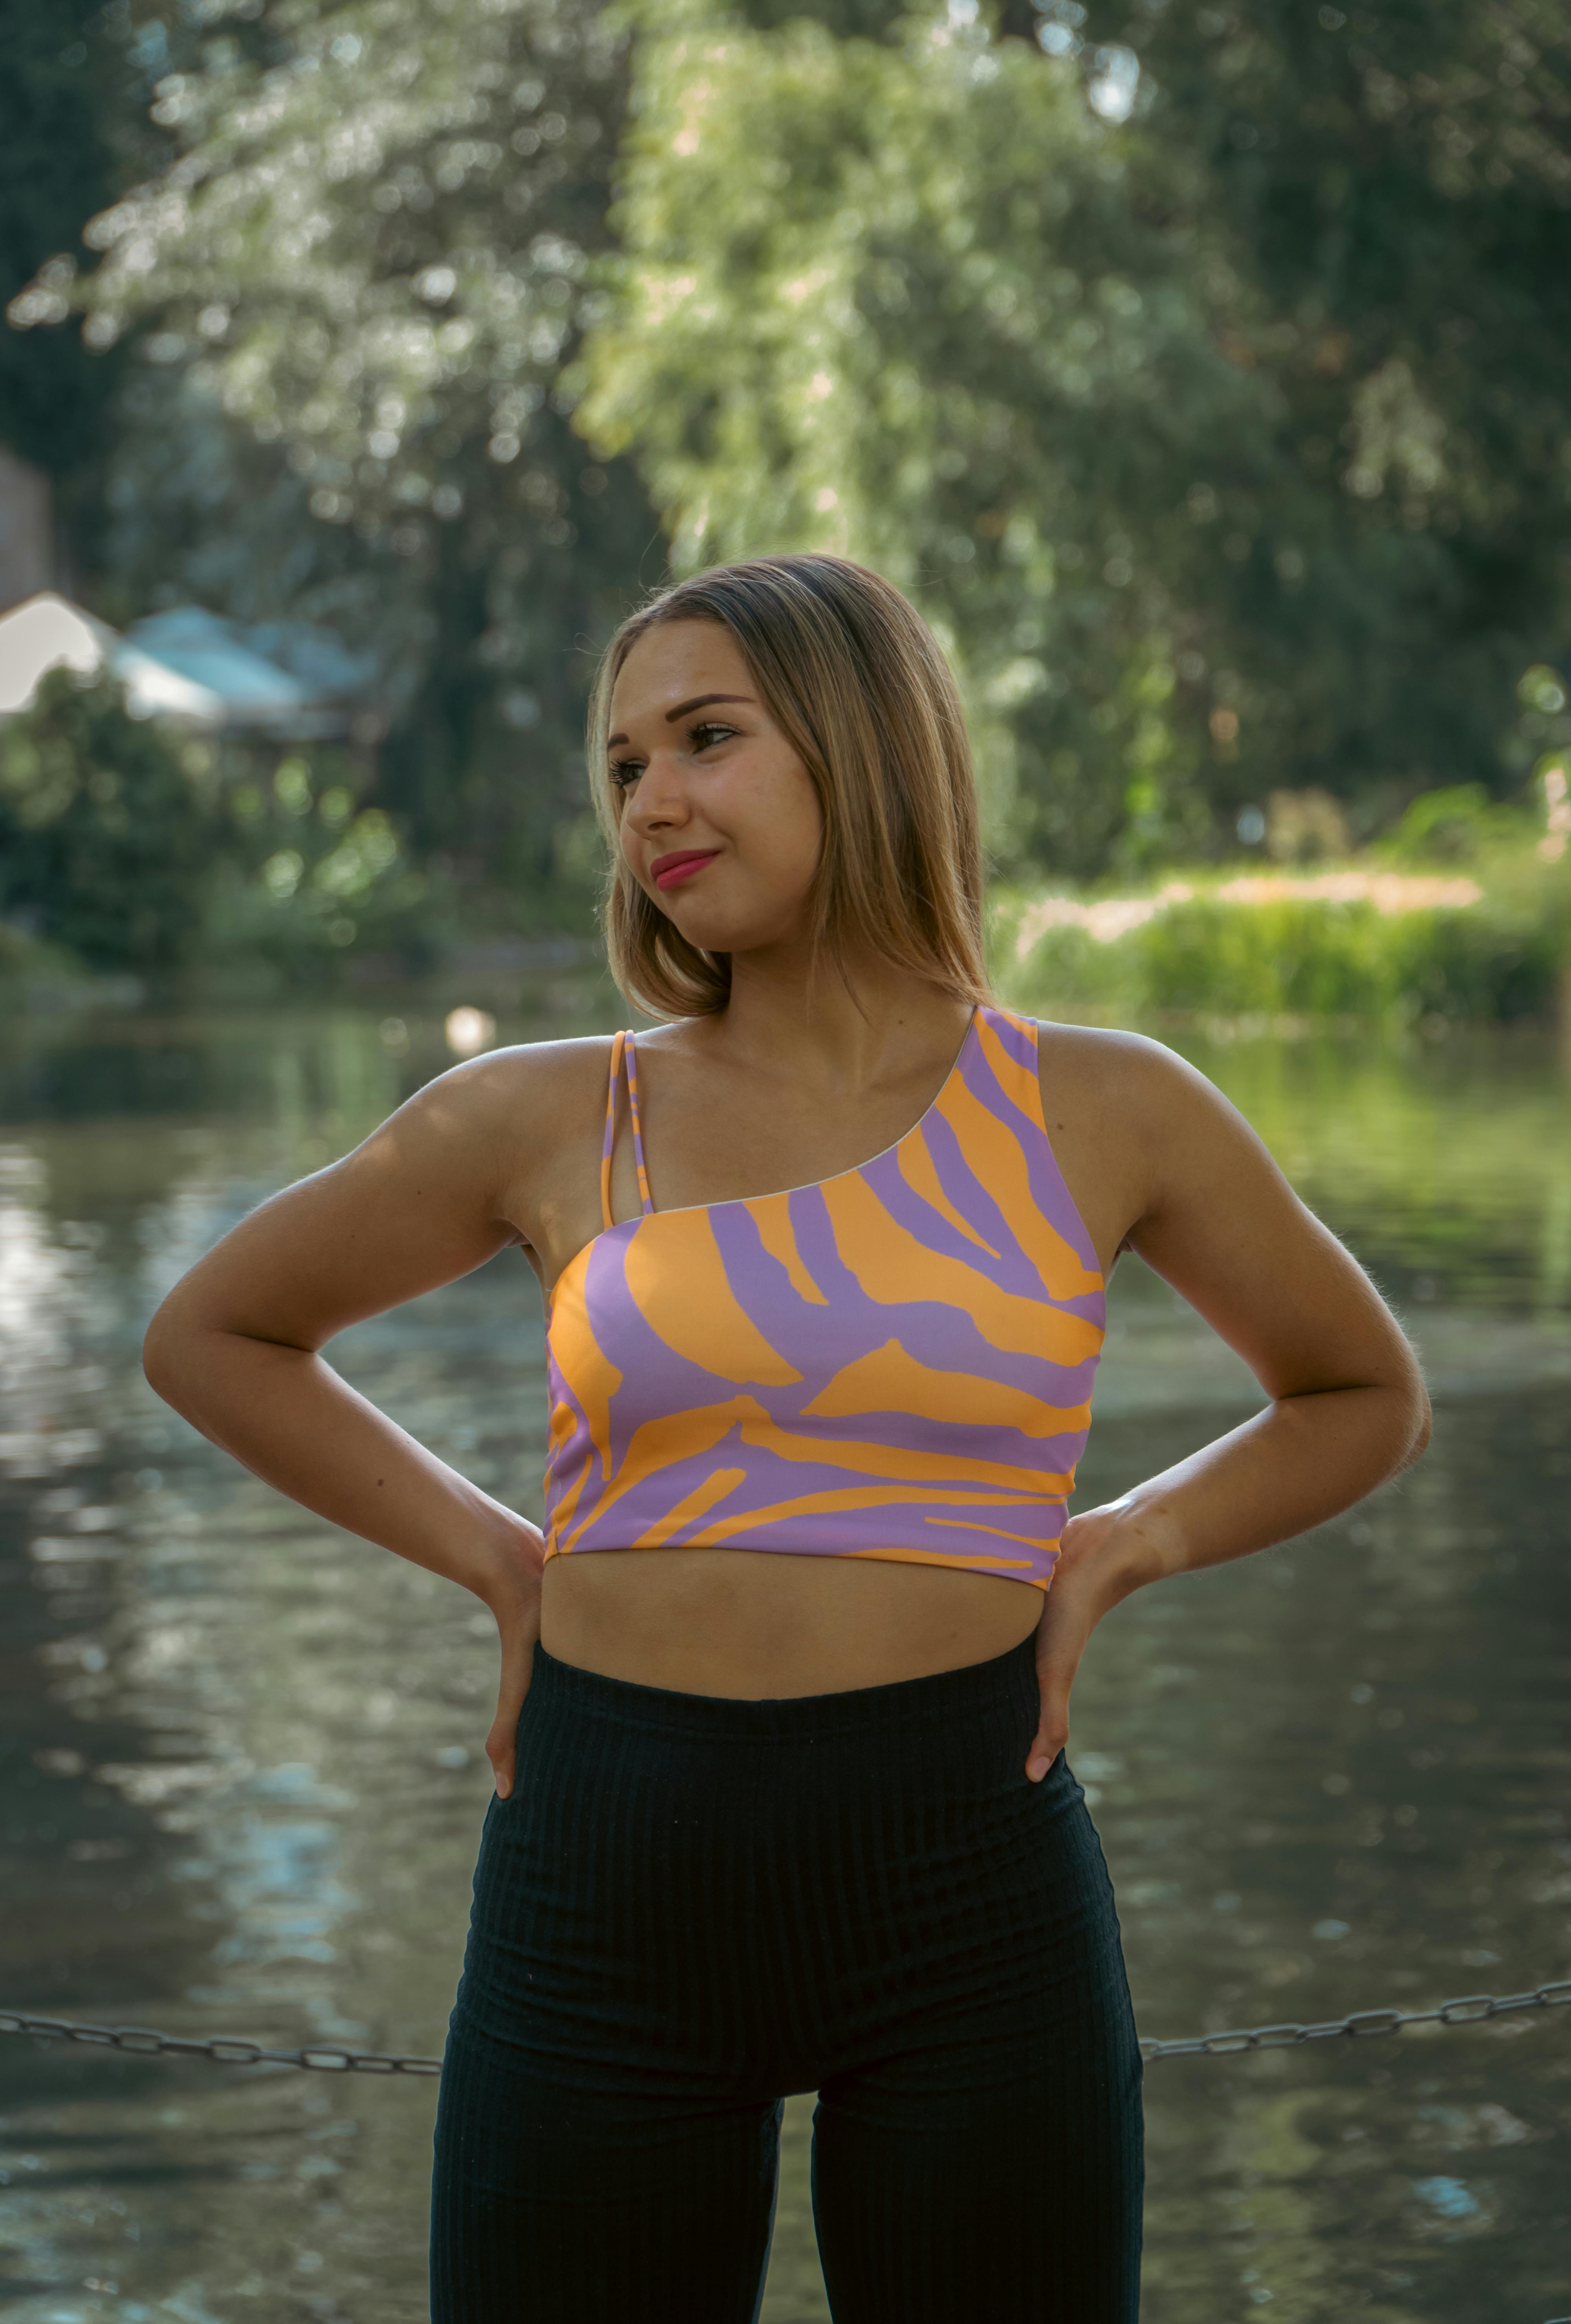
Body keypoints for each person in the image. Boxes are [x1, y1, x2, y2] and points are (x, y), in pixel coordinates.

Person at [143, 553, 1431, 2324]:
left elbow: (1359, 1392)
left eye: (706, 738)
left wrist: (1123, 1541)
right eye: (618, 767)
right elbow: (213, 1332)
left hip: (968, 1877)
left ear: (861, 740)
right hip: (602, 1875)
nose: (650, 801)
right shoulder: (543, 1111)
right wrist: (498, 1562)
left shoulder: (1103, 1108)